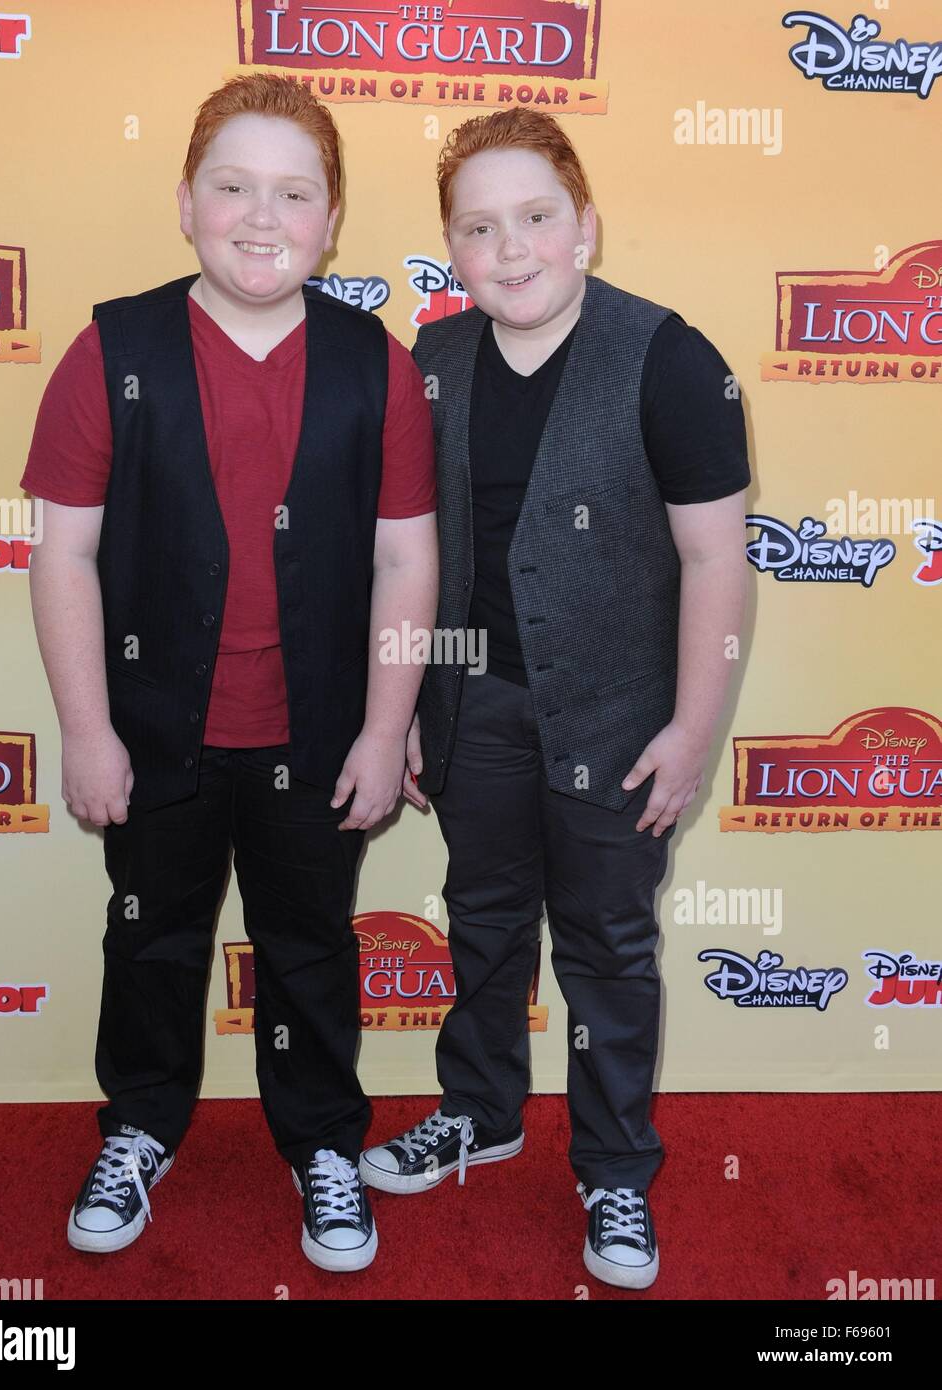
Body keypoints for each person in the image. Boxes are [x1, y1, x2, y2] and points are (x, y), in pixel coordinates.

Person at [20, 73, 437, 1273]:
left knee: (309, 947)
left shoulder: (379, 364)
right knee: (151, 938)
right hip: (156, 730)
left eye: (295, 191)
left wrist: (382, 726)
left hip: (317, 732)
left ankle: (319, 1145)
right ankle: (140, 1126)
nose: (264, 215)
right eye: (234, 185)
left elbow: (407, 557)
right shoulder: (114, 350)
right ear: (186, 203)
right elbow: (65, 552)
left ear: (333, 216)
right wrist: (89, 731)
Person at [360, 108, 750, 1290]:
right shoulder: (426, 363)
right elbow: (406, 552)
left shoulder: (671, 356)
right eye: (477, 227)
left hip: (618, 727)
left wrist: (692, 728)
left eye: (534, 217)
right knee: (481, 927)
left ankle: (617, 1171)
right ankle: (480, 1110)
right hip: (473, 712)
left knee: (607, 953)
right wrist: (412, 708)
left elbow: (716, 563)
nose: (510, 246)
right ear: (451, 247)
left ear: (585, 224)